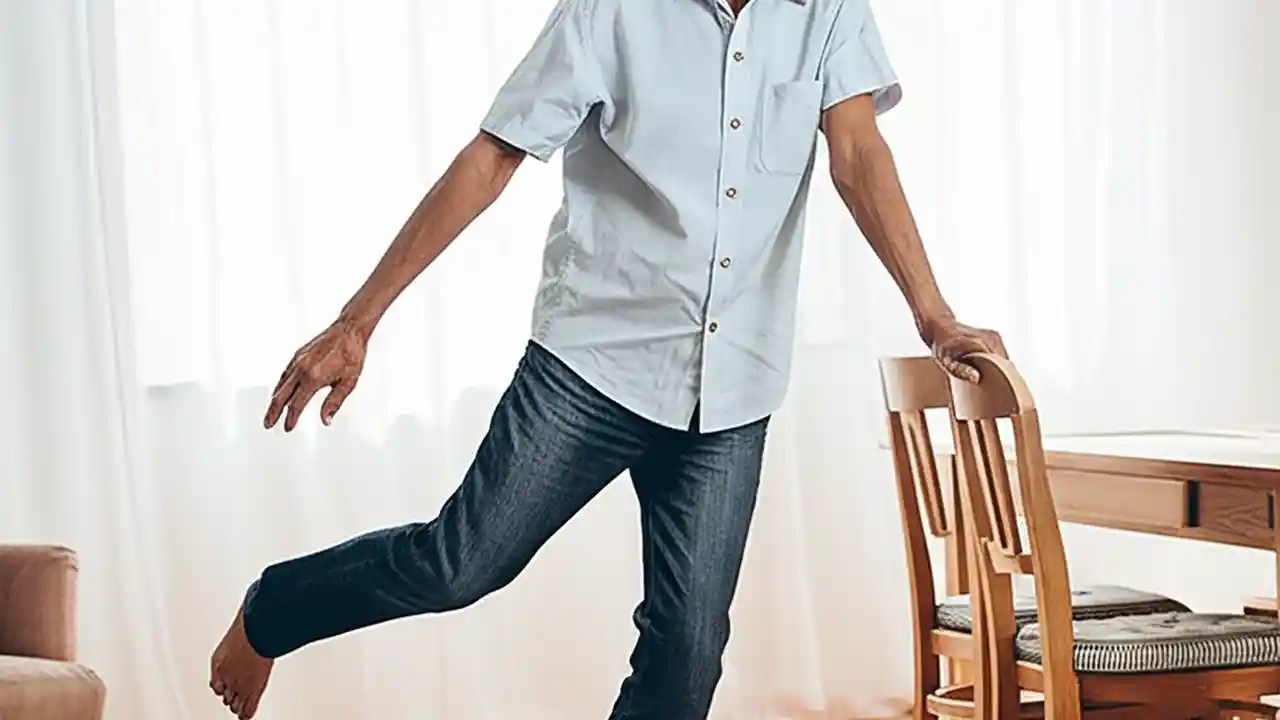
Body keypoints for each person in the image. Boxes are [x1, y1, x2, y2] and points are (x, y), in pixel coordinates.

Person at [209, 0, 1005, 717]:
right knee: (459, 565)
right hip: (591, 366)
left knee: (687, 656)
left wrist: (935, 318)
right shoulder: (609, 9)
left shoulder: (827, 11)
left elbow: (858, 154)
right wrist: (356, 322)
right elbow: (491, 157)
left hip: (733, 386)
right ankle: (274, 609)